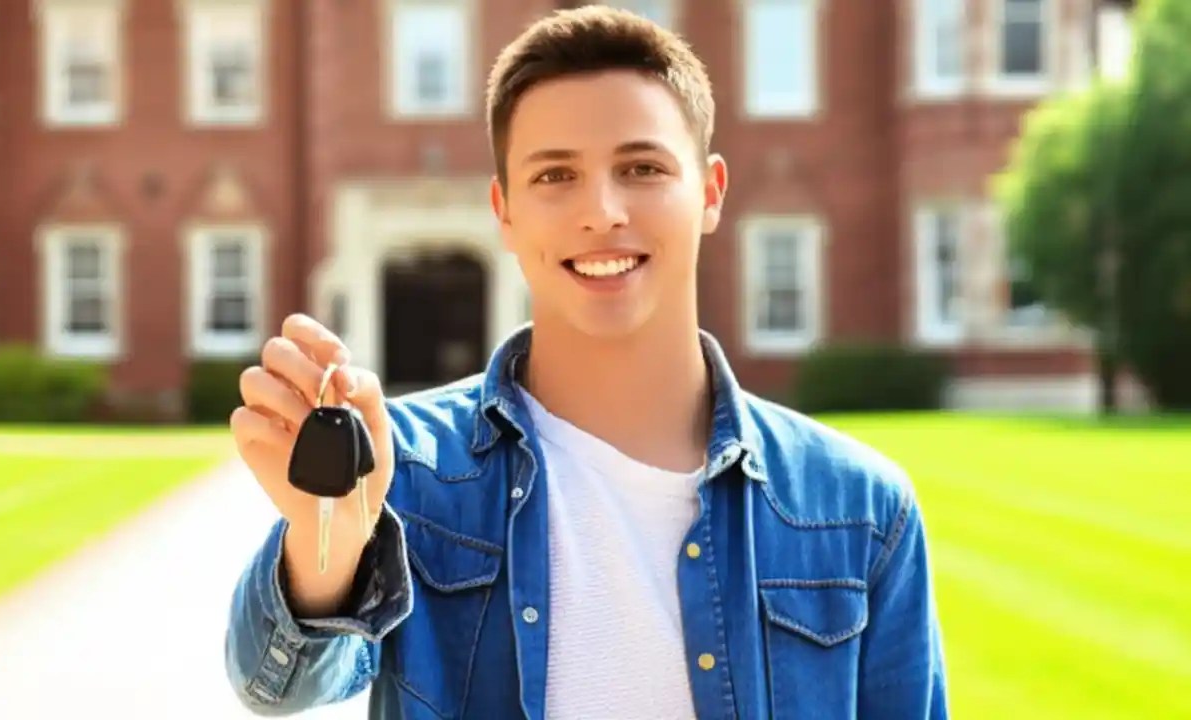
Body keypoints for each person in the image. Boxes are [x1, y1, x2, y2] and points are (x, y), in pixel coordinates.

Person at [224, 6, 948, 719]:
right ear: (504, 211)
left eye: (641, 167)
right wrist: (332, 545)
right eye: (555, 176)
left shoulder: (858, 508)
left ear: (710, 192)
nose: (601, 211)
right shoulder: (404, 471)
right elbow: (275, 687)